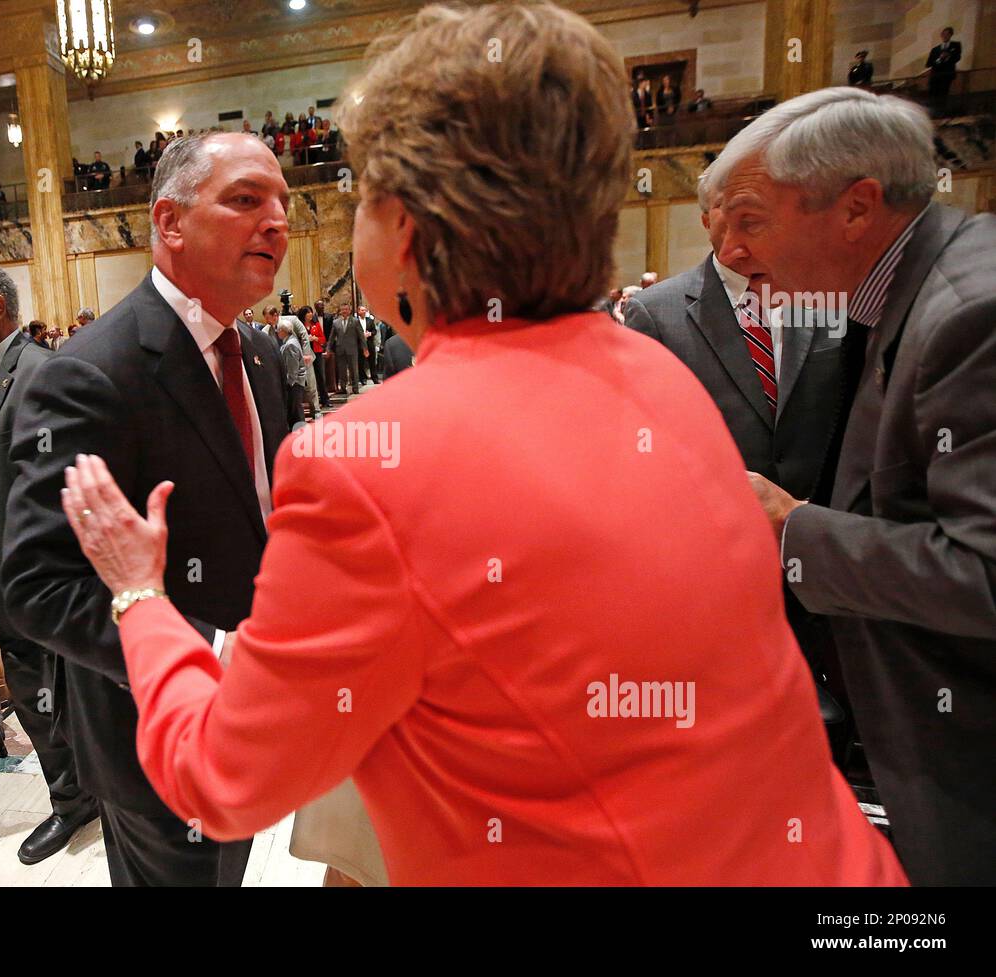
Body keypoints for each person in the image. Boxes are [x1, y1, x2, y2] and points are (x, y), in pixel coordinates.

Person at [54, 2, 905, 887]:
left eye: (359, 198)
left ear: (407, 230)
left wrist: (138, 596)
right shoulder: (664, 381)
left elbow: (220, 781)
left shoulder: (368, 466)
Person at [707, 86, 996, 885]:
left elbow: (986, 572)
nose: (728, 253)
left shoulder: (970, 314)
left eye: (751, 220)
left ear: (857, 208)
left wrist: (792, 528)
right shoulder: (903, 297)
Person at [1, 132, 290, 887]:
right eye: (247, 199)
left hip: (255, 716)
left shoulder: (255, 355)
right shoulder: (91, 372)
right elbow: (36, 582)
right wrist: (201, 649)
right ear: (169, 222)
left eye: (284, 205)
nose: (277, 222)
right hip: (153, 730)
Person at [622, 178, 851, 730]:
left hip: (821, 541)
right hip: (715, 560)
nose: (741, 237)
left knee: (837, 719)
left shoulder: (819, 296)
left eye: (759, 219)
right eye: (730, 217)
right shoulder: (656, 312)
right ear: (706, 218)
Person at [0, 260, 100, 866]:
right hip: (0, 578)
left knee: (52, 694)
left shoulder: (35, 373)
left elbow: (60, 486)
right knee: (36, 696)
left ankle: (76, 799)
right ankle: (78, 791)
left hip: (33, 582)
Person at [327, 301, 364, 394]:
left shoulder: (355, 321)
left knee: (354, 370)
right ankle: (343, 388)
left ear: (349, 310)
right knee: (342, 370)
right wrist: (328, 348)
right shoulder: (336, 322)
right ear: (340, 311)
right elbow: (331, 337)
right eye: (343, 309)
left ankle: (355, 387)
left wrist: (365, 348)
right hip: (340, 350)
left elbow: (361, 336)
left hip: (352, 349)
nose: (344, 311)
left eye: (346, 309)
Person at [276, 320, 307, 428]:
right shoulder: (291, 341)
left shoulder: (290, 345)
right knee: (295, 411)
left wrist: (288, 384)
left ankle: (300, 435)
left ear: (284, 331)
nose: (277, 332)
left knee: (295, 412)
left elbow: (292, 368)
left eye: (278, 330)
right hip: (295, 382)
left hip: (295, 383)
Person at [925, 27, 961, 102]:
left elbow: (957, 58)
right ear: (941, 35)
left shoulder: (956, 45)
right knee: (933, 96)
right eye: (943, 34)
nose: (945, 36)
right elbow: (929, 64)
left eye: (947, 34)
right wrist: (939, 59)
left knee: (943, 96)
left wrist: (948, 57)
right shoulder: (935, 49)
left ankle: (941, 112)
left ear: (951, 35)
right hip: (935, 76)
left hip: (947, 75)